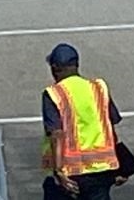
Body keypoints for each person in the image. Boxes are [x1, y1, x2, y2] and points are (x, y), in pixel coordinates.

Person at [41, 43, 126, 199]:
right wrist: (122, 165)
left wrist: (59, 171)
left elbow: (56, 134)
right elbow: (110, 129)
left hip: (72, 174)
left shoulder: (54, 94)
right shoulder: (98, 88)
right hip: (102, 171)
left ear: (54, 68)